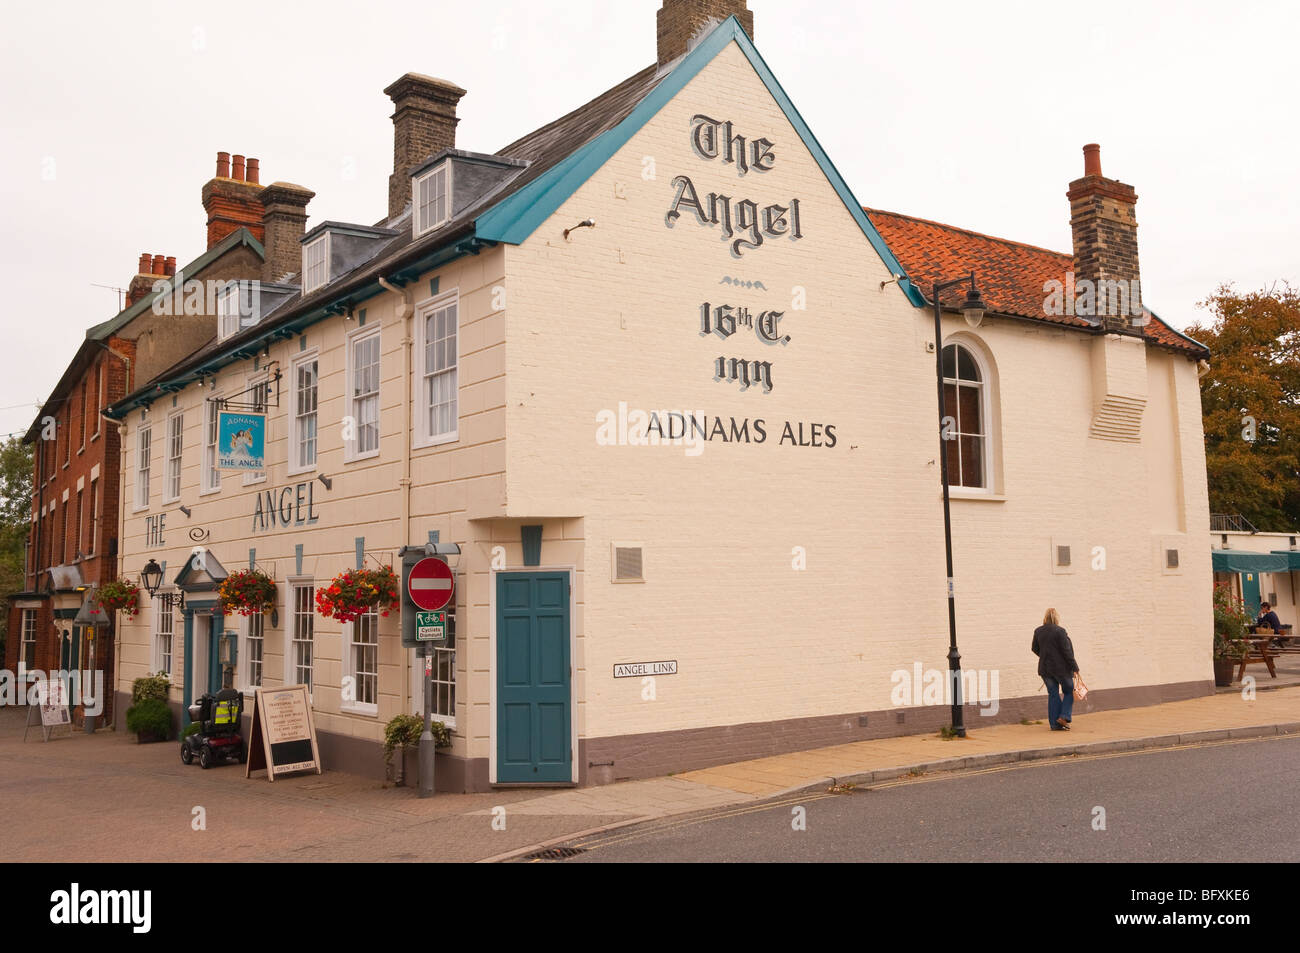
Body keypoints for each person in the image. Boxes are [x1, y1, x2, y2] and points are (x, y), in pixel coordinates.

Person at [1031, 608, 1080, 731]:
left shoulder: (1038, 631)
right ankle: (1064, 716)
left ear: (1045, 618)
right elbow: (1067, 651)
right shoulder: (1060, 631)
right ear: (1056, 618)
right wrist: (1075, 667)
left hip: (1045, 669)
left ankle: (1055, 724)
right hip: (1061, 669)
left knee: (1053, 694)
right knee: (1069, 691)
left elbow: (1034, 649)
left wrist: (1045, 657)